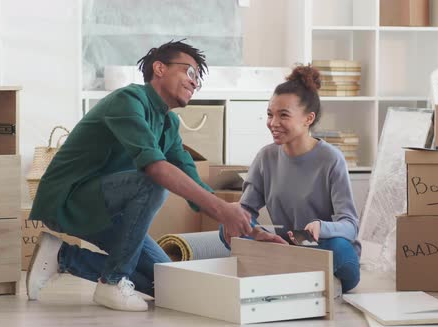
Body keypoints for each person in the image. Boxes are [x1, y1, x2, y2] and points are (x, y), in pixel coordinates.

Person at [26, 40, 254, 312]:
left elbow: (193, 183)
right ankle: (112, 281)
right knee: (152, 183)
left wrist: (240, 222)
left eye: (198, 80)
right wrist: (222, 210)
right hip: (70, 200)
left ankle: (61, 256)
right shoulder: (128, 101)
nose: (194, 83)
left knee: (169, 284)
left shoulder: (168, 123)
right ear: (159, 68)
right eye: (190, 72)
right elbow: (155, 168)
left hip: (107, 210)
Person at [219, 64, 361, 293]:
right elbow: (246, 211)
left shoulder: (331, 159)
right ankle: (296, 273)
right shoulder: (266, 157)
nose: (273, 123)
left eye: (283, 115)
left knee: (339, 248)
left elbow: (351, 226)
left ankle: (285, 272)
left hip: (321, 245)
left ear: (308, 119)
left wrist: (320, 228)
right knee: (227, 224)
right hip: (285, 246)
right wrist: (240, 218)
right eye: (269, 114)